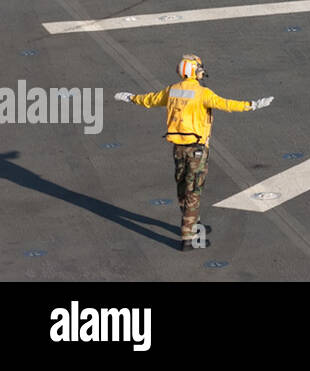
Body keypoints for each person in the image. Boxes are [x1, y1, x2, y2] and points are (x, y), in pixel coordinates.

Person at [116, 55, 273, 250]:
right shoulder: (201, 93)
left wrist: (130, 97)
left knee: (183, 187)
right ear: (192, 71)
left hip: (178, 149)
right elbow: (226, 104)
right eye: (198, 68)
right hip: (196, 149)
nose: (201, 71)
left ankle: (193, 223)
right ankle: (188, 237)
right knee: (194, 192)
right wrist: (252, 105)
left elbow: (149, 100)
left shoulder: (172, 90)